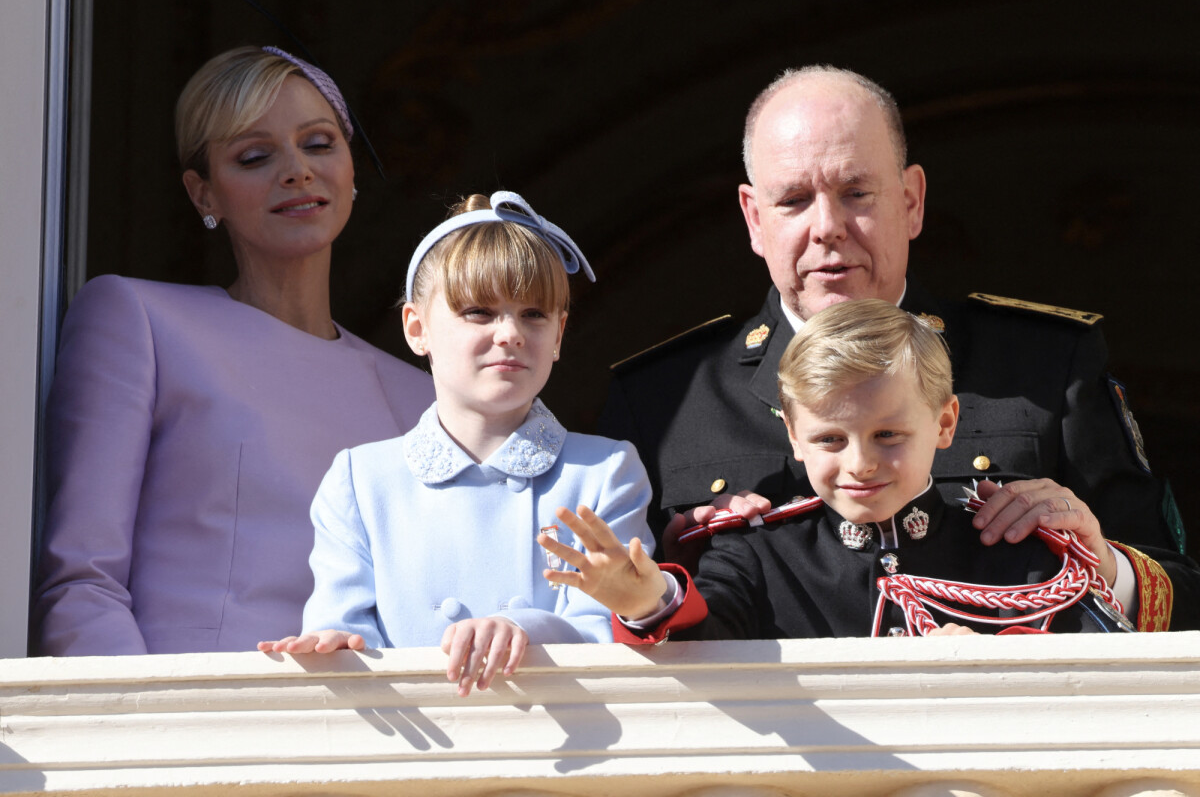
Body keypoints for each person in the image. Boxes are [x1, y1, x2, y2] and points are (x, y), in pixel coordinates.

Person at [598, 65, 1185, 561]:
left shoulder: (1045, 365)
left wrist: (1104, 561)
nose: (827, 228)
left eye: (856, 193)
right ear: (755, 219)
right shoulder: (662, 400)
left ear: (910, 202)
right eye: (794, 200)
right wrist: (669, 573)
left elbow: (1180, 598)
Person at [32, 46, 435, 656]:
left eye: (320, 143)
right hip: (193, 724)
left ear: (353, 170)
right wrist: (151, 736)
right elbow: (82, 582)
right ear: (204, 195)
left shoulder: (421, 396)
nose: (297, 170)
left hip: (377, 733)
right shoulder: (138, 320)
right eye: (254, 156)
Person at [544, 299, 1199, 640]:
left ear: (945, 425)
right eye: (831, 438)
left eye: (889, 434)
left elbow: (1122, 665)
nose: (860, 463)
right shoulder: (759, 556)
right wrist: (645, 600)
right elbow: (707, 628)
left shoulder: (1016, 548)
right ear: (794, 437)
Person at [258, 192, 654, 697]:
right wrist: (335, 645)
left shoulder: (605, 469)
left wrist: (524, 629)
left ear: (559, 334)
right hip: (422, 748)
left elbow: (614, 630)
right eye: (479, 312)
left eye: (533, 313)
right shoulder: (361, 478)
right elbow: (342, 619)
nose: (510, 332)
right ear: (416, 328)